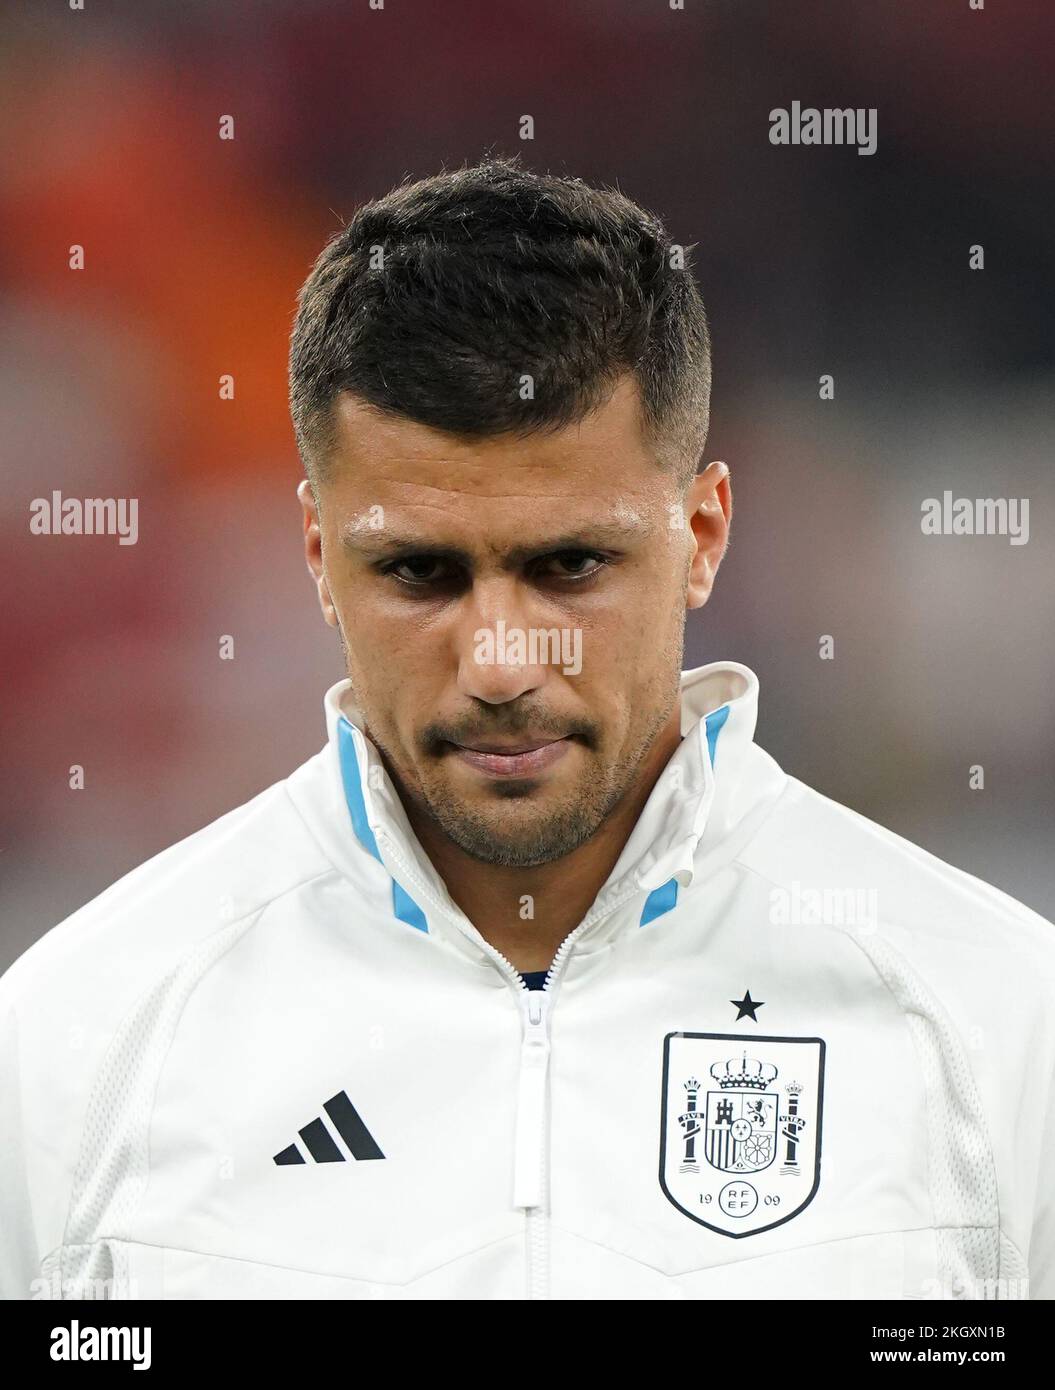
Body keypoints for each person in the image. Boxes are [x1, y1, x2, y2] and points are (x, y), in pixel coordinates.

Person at [2, 156, 1052, 1301]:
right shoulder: (80, 1041)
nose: (500, 663)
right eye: (417, 572)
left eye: (568, 566)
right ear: (317, 555)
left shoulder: (994, 1027)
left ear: (700, 534)